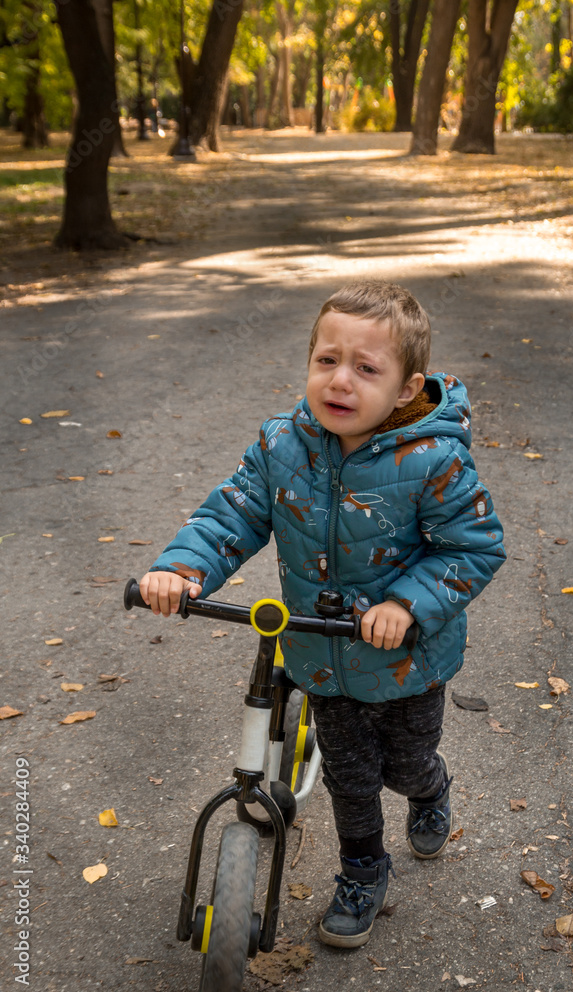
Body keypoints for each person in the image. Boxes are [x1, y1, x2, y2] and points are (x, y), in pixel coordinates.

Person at [140, 280, 506, 949]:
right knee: (349, 776)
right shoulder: (284, 445)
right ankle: (362, 870)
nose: (340, 380)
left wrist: (405, 605)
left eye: (365, 369)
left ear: (404, 388)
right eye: (326, 360)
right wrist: (183, 568)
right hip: (319, 653)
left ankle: (432, 789)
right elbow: (236, 512)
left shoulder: (434, 459)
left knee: (403, 765)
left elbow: (473, 547)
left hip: (405, 658)